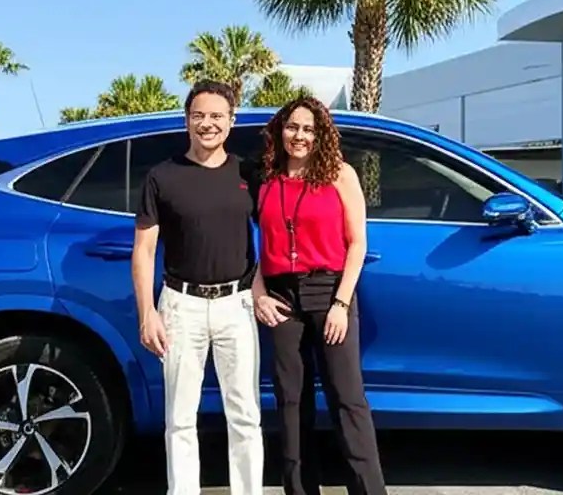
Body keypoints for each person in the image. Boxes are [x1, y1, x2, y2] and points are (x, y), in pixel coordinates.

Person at [132, 80, 264, 495]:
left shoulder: (248, 174)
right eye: (199, 116)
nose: (208, 124)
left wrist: (259, 288)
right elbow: (143, 249)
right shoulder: (162, 176)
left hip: (236, 305)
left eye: (217, 116)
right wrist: (147, 312)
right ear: (187, 120)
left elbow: (273, 238)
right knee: (180, 418)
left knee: (245, 415)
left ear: (231, 121)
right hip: (180, 306)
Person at [250, 96, 387, 495]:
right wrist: (259, 293)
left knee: (347, 400)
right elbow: (257, 246)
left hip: (329, 291)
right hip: (280, 297)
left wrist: (341, 304)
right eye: (293, 127)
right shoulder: (266, 179)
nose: (300, 135)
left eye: (309, 129)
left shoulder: (340, 175)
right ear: (280, 130)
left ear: (320, 134)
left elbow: (357, 244)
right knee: (291, 404)